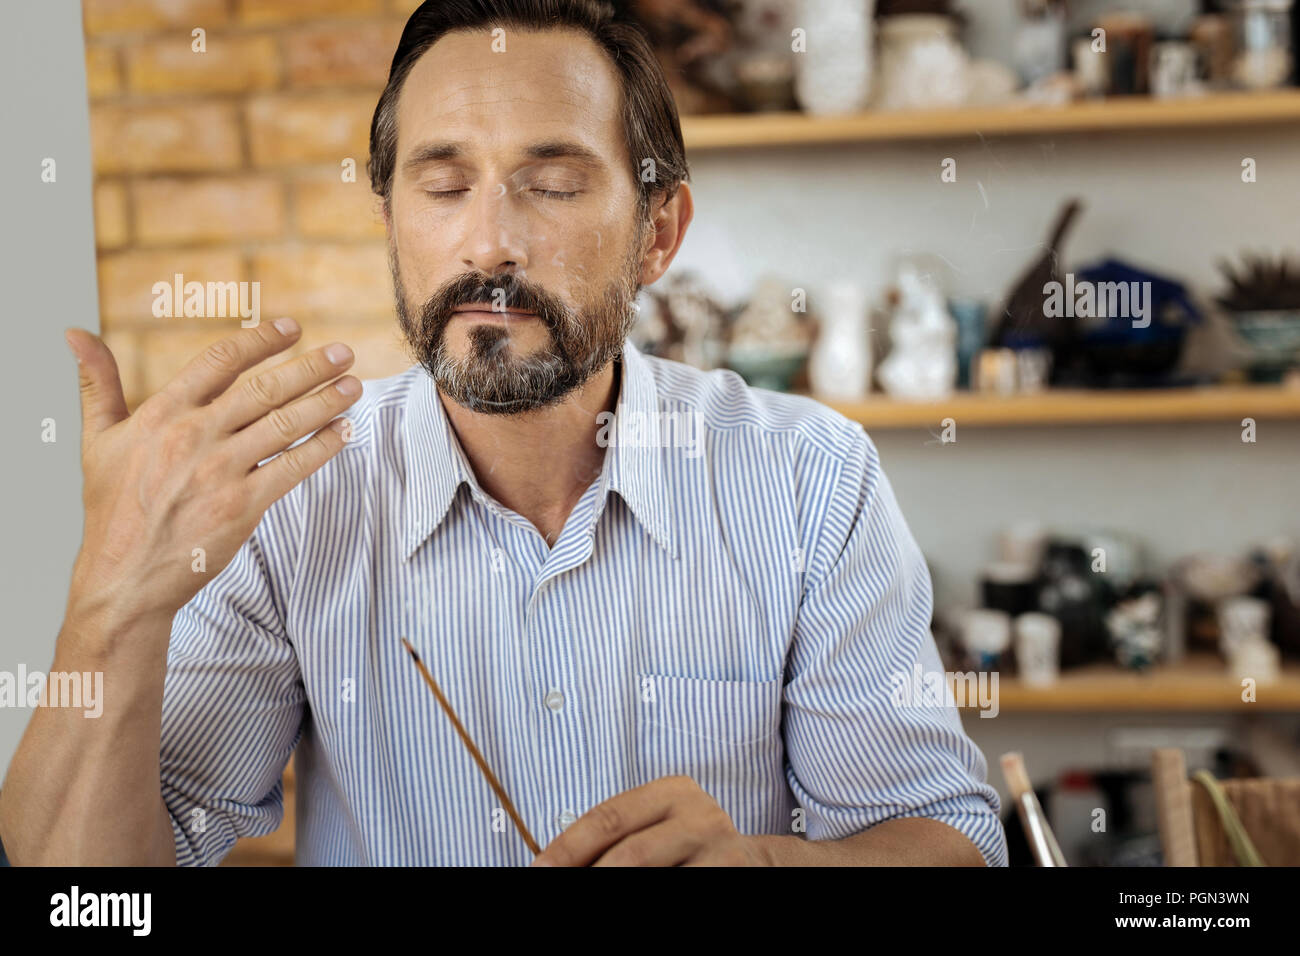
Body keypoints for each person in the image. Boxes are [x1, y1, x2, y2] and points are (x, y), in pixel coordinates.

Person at [0, 0, 1005, 866]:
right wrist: (111, 600)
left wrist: (764, 864)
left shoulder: (806, 477)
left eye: (553, 182)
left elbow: (942, 836)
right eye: (442, 185)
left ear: (658, 232)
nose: (487, 242)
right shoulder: (291, 499)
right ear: (392, 217)